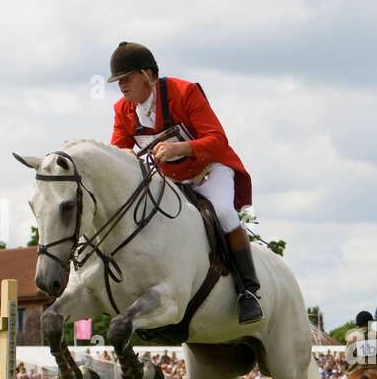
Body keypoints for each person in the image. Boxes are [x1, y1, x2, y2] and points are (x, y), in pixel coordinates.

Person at [107, 41, 262, 323]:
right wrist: (124, 155)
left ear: (147, 74)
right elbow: (118, 149)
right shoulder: (123, 110)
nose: (122, 86)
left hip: (210, 170)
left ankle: (248, 291)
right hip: (171, 181)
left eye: (126, 78)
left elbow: (217, 140)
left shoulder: (184, 92)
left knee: (224, 212)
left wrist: (181, 148)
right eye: (118, 81)